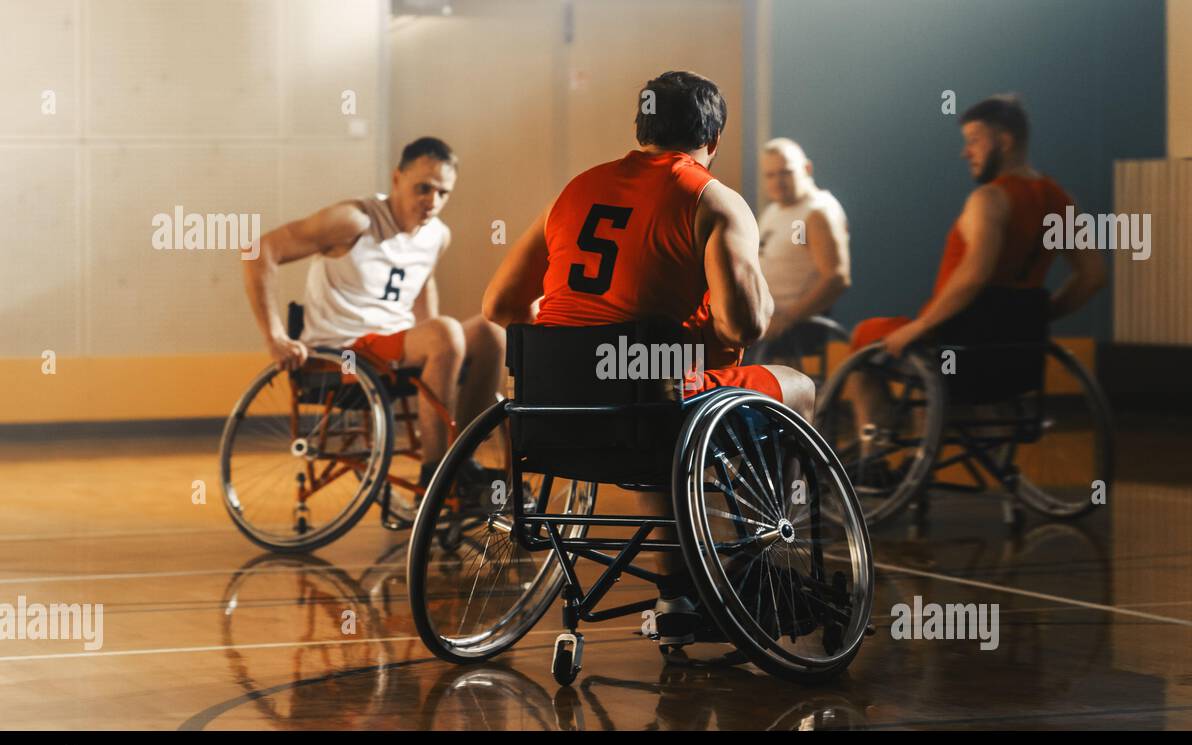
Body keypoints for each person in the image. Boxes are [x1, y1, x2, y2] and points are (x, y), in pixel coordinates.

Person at [482, 70, 814, 646]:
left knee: (650, 391)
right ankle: (764, 547)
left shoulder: (574, 190)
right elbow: (745, 325)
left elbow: (500, 304)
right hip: (649, 408)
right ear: (713, 139)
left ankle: (678, 593)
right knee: (798, 386)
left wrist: (576, 356)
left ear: (640, 129)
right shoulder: (713, 199)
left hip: (554, 415)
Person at [845, 95, 1107, 455]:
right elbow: (1093, 276)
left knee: (864, 336)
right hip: (1016, 358)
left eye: (973, 141)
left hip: (955, 352)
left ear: (1004, 140)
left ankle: (872, 451)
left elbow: (974, 275)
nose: (965, 152)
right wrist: (1037, 319)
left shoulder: (990, 199)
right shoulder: (1059, 200)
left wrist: (918, 328)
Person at [241, 137, 505, 489]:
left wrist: (439, 346)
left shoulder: (437, 235)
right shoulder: (354, 220)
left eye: (443, 193)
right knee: (445, 333)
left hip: (393, 346)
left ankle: (463, 455)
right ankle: (436, 474)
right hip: (345, 352)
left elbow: (421, 284)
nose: (433, 201)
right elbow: (260, 251)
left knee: (492, 332)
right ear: (396, 179)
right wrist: (275, 337)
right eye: (423, 188)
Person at [756, 138, 851, 342]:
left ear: (806, 169)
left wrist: (786, 318)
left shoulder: (818, 212)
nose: (777, 182)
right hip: (758, 314)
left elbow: (837, 278)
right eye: (770, 175)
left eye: (785, 172)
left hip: (790, 327)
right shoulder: (774, 210)